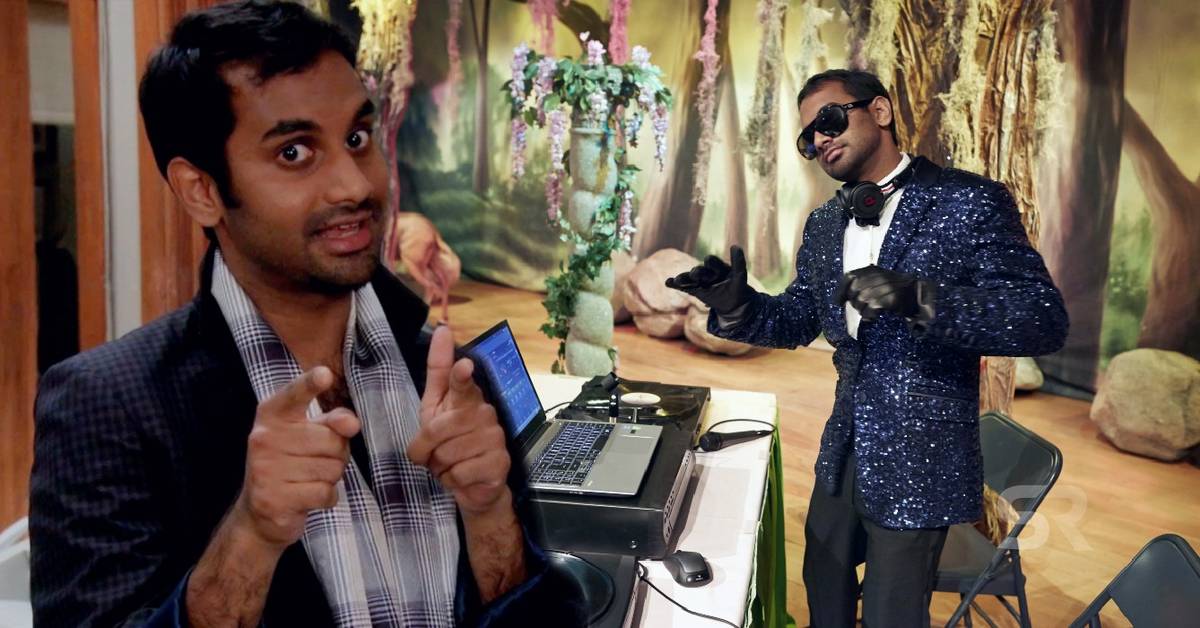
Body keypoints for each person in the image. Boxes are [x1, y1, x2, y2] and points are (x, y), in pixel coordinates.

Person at [28, 2, 582, 626]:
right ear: (201, 191)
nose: (354, 186)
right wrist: (252, 535)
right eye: (294, 152)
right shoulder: (106, 405)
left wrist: (488, 513)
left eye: (357, 139)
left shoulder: (452, 374)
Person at [667, 69, 1067, 626]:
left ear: (879, 111)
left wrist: (920, 298)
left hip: (921, 459)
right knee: (823, 590)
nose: (820, 140)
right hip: (843, 447)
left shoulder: (968, 201)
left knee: (890, 614)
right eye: (808, 137)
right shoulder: (825, 223)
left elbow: (1041, 319)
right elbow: (797, 320)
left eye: (830, 121)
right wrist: (738, 306)